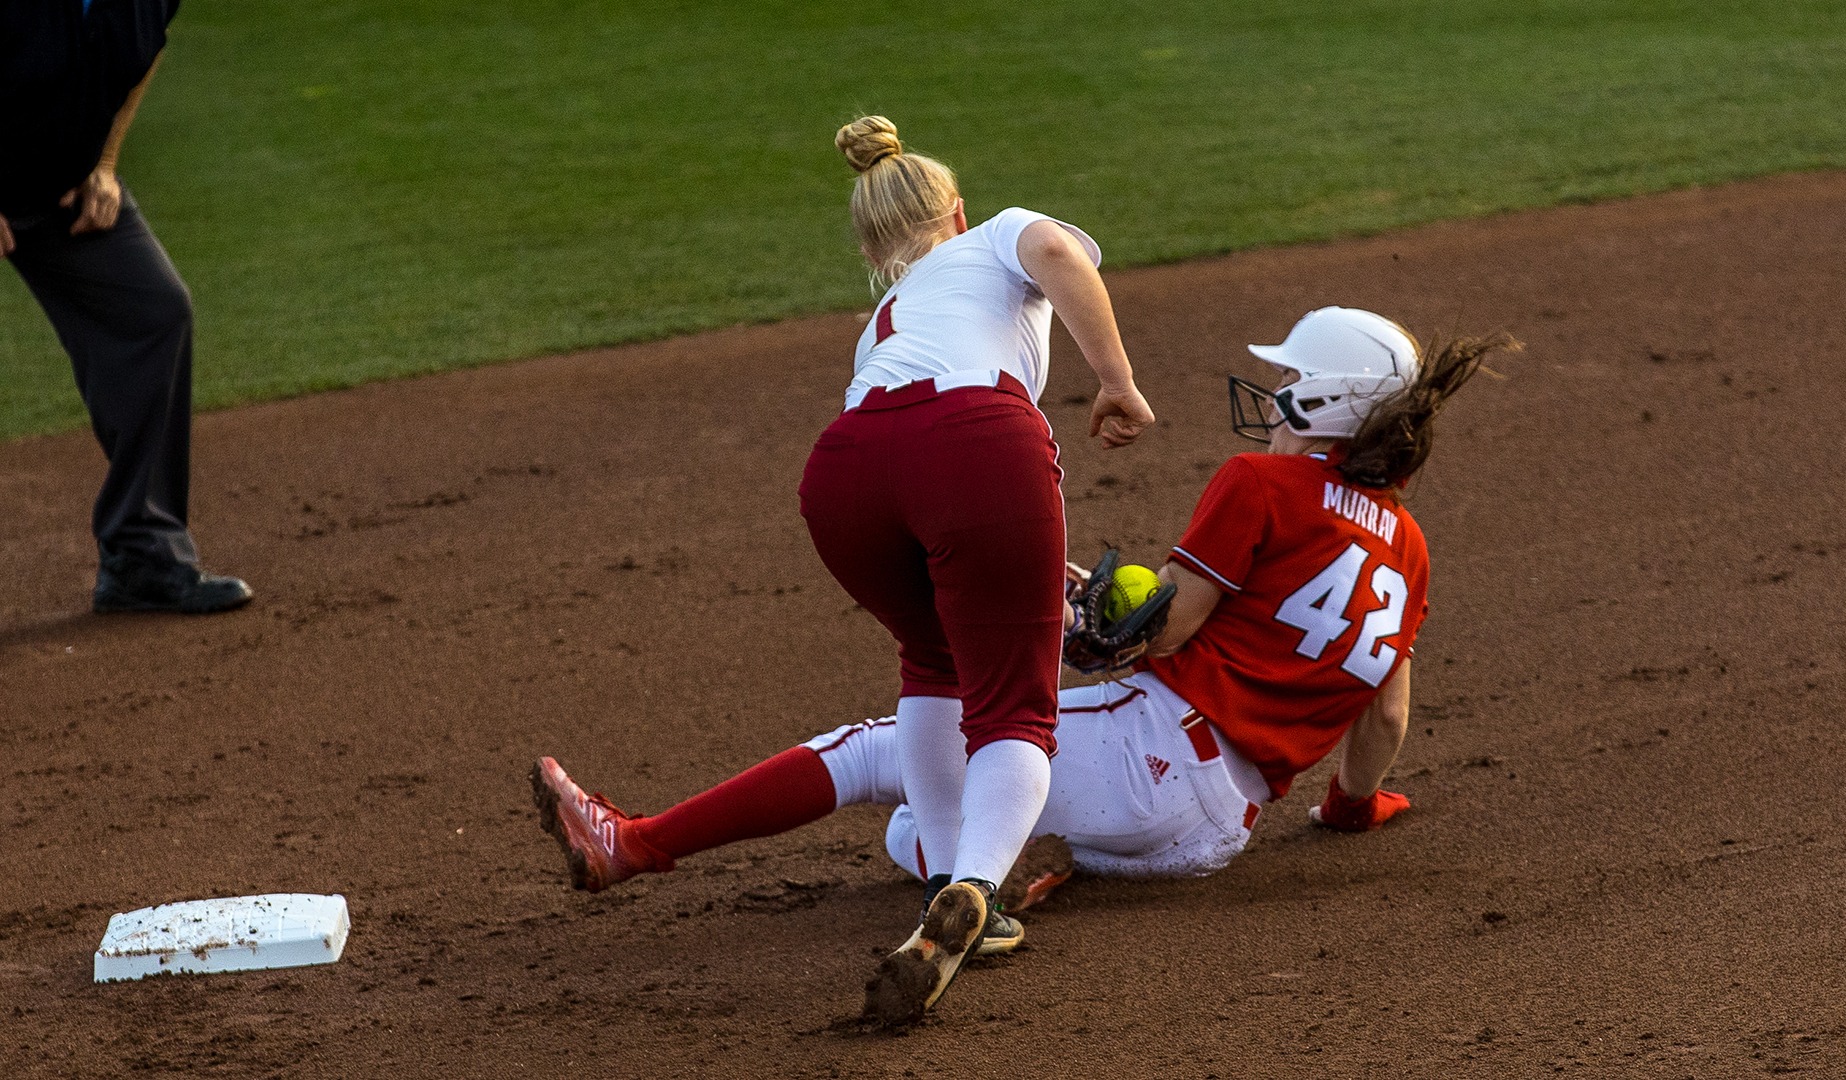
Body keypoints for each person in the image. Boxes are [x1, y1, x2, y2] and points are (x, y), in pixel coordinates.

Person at [530, 307, 1516, 1010]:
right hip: (1212, 835)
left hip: (1154, 754)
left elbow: (1163, 634)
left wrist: (1093, 618)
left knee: (884, 749)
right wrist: (1352, 806)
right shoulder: (1413, 548)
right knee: (918, 833)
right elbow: (1383, 719)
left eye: (1300, 380)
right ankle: (1021, 871)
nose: (1283, 390)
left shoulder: (1263, 484)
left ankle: (635, 844)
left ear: (1336, 403)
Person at [534, 115, 1155, 1025]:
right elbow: (1060, 249)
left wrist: (1007, 543)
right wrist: (1116, 380)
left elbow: (916, 466)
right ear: (957, 212)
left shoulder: (882, 324)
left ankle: (948, 881)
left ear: (872, 245)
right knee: (1017, 704)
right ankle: (978, 889)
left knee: (935, 662)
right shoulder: (997, 234)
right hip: (979, 449)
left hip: (848, 471)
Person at [2, 0, 251, 614]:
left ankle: (142, 555)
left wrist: (105, 162)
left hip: (55, 185)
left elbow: (147, 49)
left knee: (151, 313)